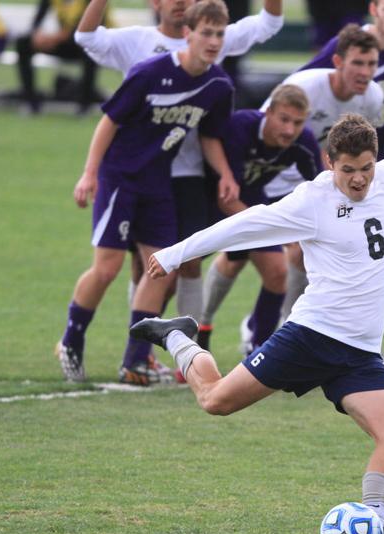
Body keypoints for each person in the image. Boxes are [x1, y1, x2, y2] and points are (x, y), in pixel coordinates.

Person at [130, 110, 384, 534]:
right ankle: (177, 335)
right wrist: (176, 253)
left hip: (360, 353)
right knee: (216, 401)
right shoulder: (311, 202)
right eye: (348, 170)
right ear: (330, 162)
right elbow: (244, 225)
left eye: (366, 168)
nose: (359, 179)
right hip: (310, 337)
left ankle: (372, 526)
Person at [75, 0, 283, 341]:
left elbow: (269, 23)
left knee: (185, 260)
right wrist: (90, 171)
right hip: (137, 169)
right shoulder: (139, 44)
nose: (182, 3)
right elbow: (86, 39)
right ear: (156, 4)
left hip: (188, 171)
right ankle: (137, 349)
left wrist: (224, 174)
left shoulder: (214, 38)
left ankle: (185, 346)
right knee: (137, 266)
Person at [56, 0, 236, 383]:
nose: (213, 41)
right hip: (120, 177)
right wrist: (89, 174)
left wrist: (225, 174)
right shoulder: (150, 72)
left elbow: (209, 136)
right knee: (107, 268)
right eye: (206, 32)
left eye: (220, 34)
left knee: (160, 270)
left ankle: (135, 360)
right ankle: (71, 339)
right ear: (187, 34)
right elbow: (109, 122)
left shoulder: (219, 85)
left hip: (158, 182)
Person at [302, 0, 384, 365]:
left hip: (379, 172)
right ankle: (279, 329)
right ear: (374, 8)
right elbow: (305, 92)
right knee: (305, 256)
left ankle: (369, 344)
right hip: (337, 171)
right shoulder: (349, 45)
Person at [260, 24, 384, 326]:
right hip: (272, 178)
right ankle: (211, 322)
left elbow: (357, 149)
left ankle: (286, 326)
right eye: (357, 63)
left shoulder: (373, 97)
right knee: (236, 258)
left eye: (371, 64)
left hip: (319, 181)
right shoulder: (304, 87)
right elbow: (262, 128)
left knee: (302, 254)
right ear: (338, 62)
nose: (365, 72)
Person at [197, 84, 324, 354]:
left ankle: (259, 351)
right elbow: (225, 197)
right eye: (284, 119)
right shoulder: (240, 127)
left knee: (276, 273)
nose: (289, 130)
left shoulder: (303, 141)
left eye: (298, 122)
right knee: (189, 268)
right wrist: (276, 229)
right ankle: (200, 327)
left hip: (250, 200)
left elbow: (322, 189)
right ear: (268, 112)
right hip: (207, 197)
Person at [16, 0, 106, 114]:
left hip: (100, 42)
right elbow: (37, 21)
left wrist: (56, 38)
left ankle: (84, 103)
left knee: (89, 51)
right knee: (24, 43)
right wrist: (37, 35)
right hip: (68, 41)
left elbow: (93, 29)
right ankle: (31, 101)